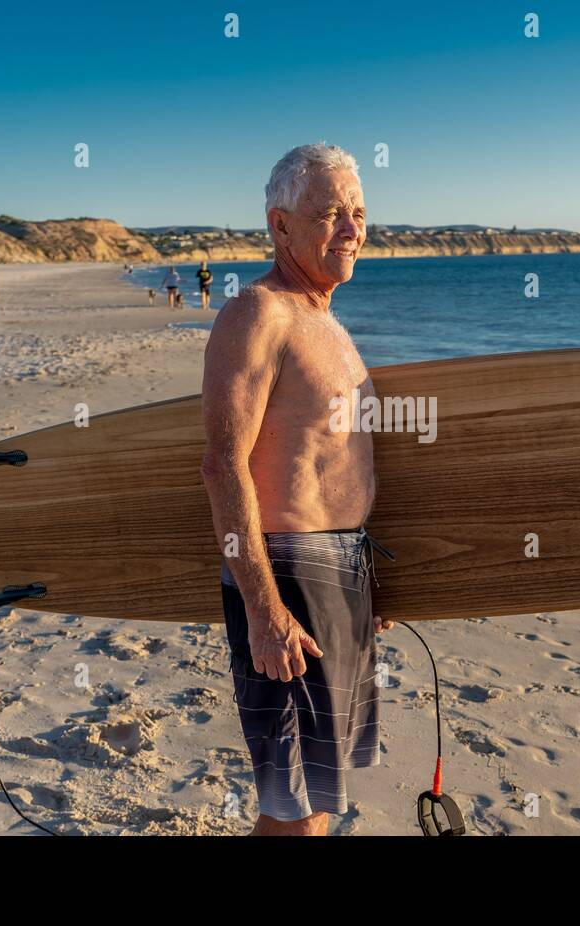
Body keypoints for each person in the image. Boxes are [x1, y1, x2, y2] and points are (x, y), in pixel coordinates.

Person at [201, 143, 388, 837]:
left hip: (340, 575)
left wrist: (367, 586)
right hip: (287, 579)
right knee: (294, 816)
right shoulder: (258, 315)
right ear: (280, 225)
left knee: (314, 801)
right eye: (332, 213)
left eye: (360, 214)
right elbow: (224, 465)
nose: (352, 229)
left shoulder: (326, 322)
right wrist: (264, 608)